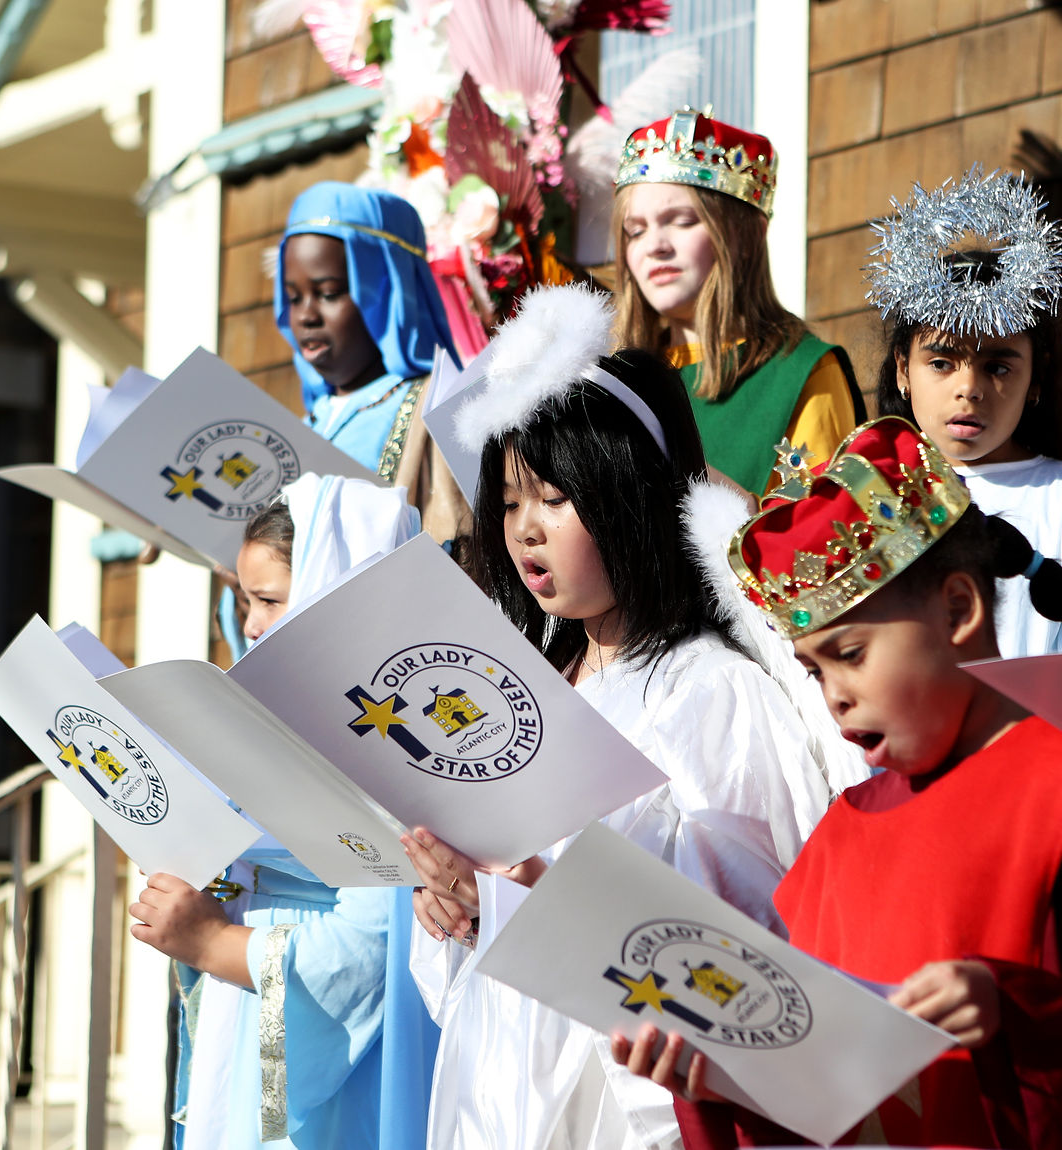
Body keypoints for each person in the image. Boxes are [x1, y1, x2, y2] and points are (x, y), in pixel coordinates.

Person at [613, 417, 1062, 1149]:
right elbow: (818, 1092)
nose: (834, 696)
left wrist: (1012, 1010)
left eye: (851, 653)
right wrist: (713, 1079)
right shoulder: (837, 839)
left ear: (959, 609)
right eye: (813, 671)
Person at [401, 283, 839, 1150]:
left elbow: (756, 935)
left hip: (628, 1105)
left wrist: (559, 900)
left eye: (555, 500)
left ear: (629, 503)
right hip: (497, 1089)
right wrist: (455, 904)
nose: (524, 530)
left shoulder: (713, 693)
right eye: (512, 500)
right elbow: (480, 973)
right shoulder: (519, 688)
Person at [129, 474, 437, 1150]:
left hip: (331, 1076)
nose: (252, 623)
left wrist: (213, 942)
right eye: (244, 600)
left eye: (269, 598)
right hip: (244, 1015)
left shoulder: (395, 755)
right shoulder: (275, 727)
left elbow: (364, 955)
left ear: (338, 589)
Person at [868, 168, 1062, 657]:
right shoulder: (862, 494)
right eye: (941, 362)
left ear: (1036, 378)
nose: (969, 389)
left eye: (997, 365)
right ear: (902, 369)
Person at [611, 108, 863, 495]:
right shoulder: (614, 385)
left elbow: (821, 538)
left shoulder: (800, 373)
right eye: (635, 230)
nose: (655, 247)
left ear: (744, 236)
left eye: (681, 221)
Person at [276, 181, 471, 546]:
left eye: (328, 293)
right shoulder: (307, 423)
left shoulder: (435, 406)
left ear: (390, 289)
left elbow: (460, 545)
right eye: (293, 297)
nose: (305, 316)